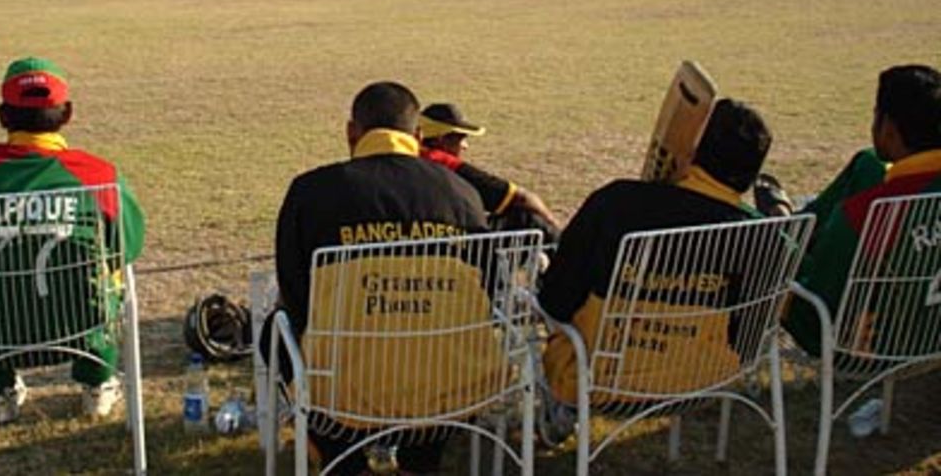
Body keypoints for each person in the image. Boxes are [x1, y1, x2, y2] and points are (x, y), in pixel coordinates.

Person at [0, 56, 146, 424]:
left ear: (3, 116)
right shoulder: (97, 173)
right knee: (108, 281)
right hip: (78, 327)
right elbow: (127, 248)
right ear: (67, 113)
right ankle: (97, 382)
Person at [271, 81, 487, 475]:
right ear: (418, 137)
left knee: (277, 328)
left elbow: (296, 296)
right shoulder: (463, 194)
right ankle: (420, 462)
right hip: (449, 392)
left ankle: (345, 462)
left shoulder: (311, 192)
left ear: (351, 133)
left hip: (342, 397)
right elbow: (488, 292)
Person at [536, 99, 771, 438]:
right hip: (703, 382)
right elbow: (748, 334)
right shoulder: (762, 236)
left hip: (598, 382)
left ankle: (561, 415)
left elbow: (555, 301)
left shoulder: (617, 204)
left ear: (694, 147)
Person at [783, 64, 941, 355]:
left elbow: (821, 300)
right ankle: (790, 224)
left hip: (873, 348)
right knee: (867, 162)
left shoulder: (864, 214)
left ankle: (783, 226)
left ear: (890, 128)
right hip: (933, 336)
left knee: (770, 253)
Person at [419, 101, 563, 240]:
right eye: (461, 138)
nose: (465, 146)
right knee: (526, 218)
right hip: (446, 240)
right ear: (440, 140)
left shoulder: (408, 154)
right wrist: (554, 223)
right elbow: (520, 198)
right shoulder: (441, 162)